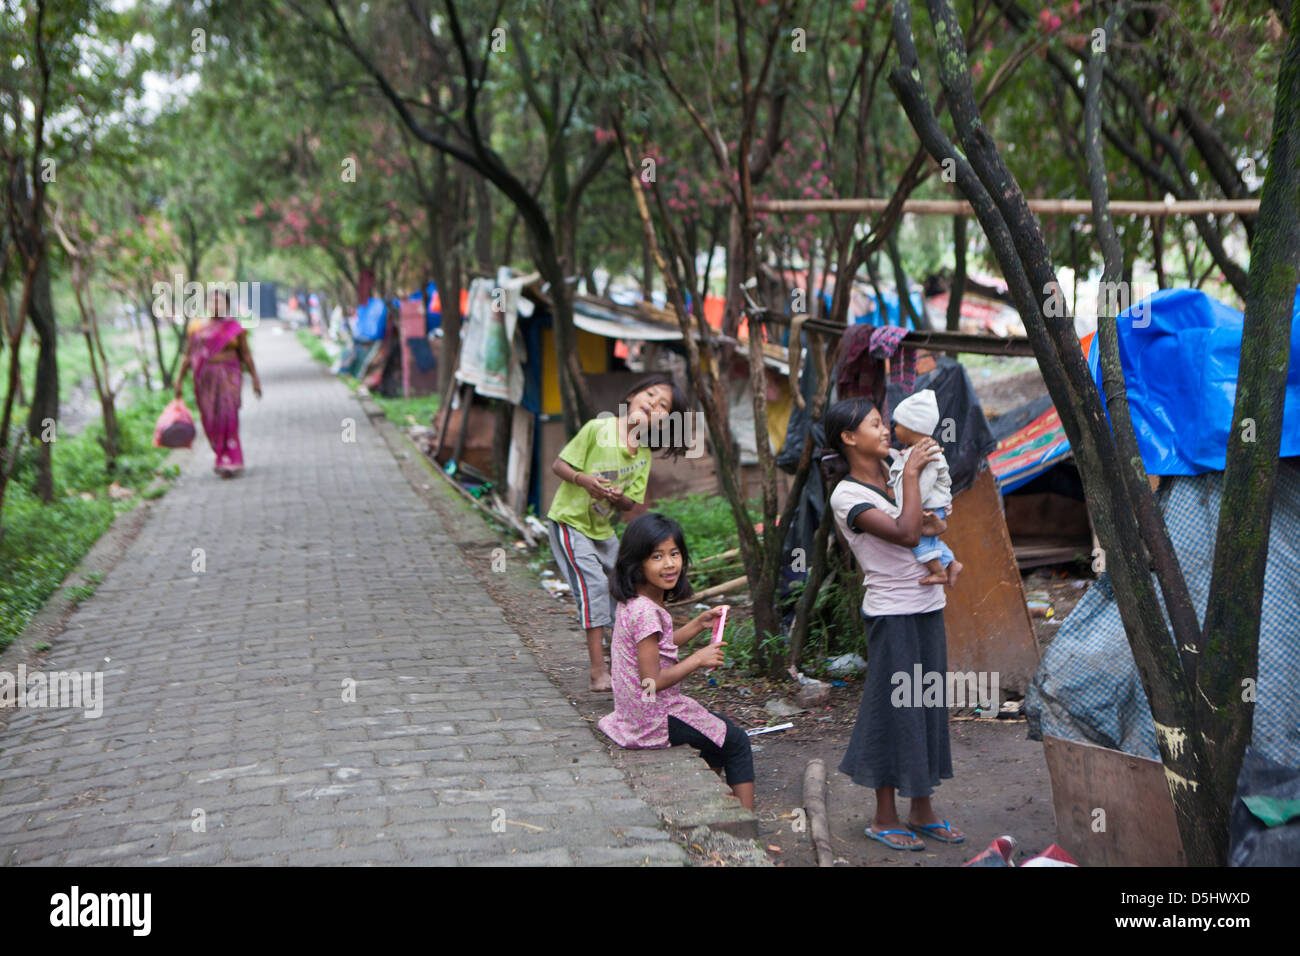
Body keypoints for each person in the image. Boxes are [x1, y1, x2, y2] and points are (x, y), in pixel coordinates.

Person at [824, 396, 965, 851]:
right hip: (891, 613)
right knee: (893, 708)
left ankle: (922, 809)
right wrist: (910, 480)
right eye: (873, 424)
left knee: (925, 705)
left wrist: (936, 531)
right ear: (849, 438)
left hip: (928, 606)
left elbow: (930, 525)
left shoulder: (894, 476)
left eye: (884, 423)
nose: (886, 429)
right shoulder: (847, 496)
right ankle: (884, 816)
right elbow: (907, 532)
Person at [599, 512, 754, 809]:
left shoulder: (635, 602)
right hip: (652, 717)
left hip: (634, 712)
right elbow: (651, 683)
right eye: (657, 556)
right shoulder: (647, 612)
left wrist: (697, 625)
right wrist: (697, 659)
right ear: (636, 562)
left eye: (674, 554)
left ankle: (713, 806)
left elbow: (657, 647)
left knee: (716, 740)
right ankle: (747, 823)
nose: (669, 564)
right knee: (737, 743)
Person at [546, 376, 689, 692]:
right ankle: (598, 672)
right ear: (632, 395)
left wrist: (615, 496)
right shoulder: (599, 429)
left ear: (666, 422)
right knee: (595, 586)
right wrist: (584, 481)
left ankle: (637, 659)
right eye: (650, 394)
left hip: (601, 528)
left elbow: (629, 505)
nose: (653, 402)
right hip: (569, 522)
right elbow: (559, 465)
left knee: (631, 582)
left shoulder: (642, 455)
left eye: (663, 404)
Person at [175, 289, 262, 477]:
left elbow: (245, 354)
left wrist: (255, 379)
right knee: (210, 419)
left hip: (230, 375)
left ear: (227, 305)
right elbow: (188, 356)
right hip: (205, 379)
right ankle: (220, 453)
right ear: (206, 305)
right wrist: (179, 381)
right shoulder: (197, 327)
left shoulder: (235, 327)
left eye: (220, 302)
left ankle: (230, 458)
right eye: (213, 302)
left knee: (227, 414)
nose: (216, 305)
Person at [889, 389, 963, 586]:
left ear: (911, 427)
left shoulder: (927, 453)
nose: (893, 429)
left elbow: (924, 485)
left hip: (926, 509)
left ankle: (939, 573)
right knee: (932, 543)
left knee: (919, 544)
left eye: (897, 425)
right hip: (926, 507)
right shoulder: (915, 450)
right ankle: (952, 563)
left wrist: (912, 509)